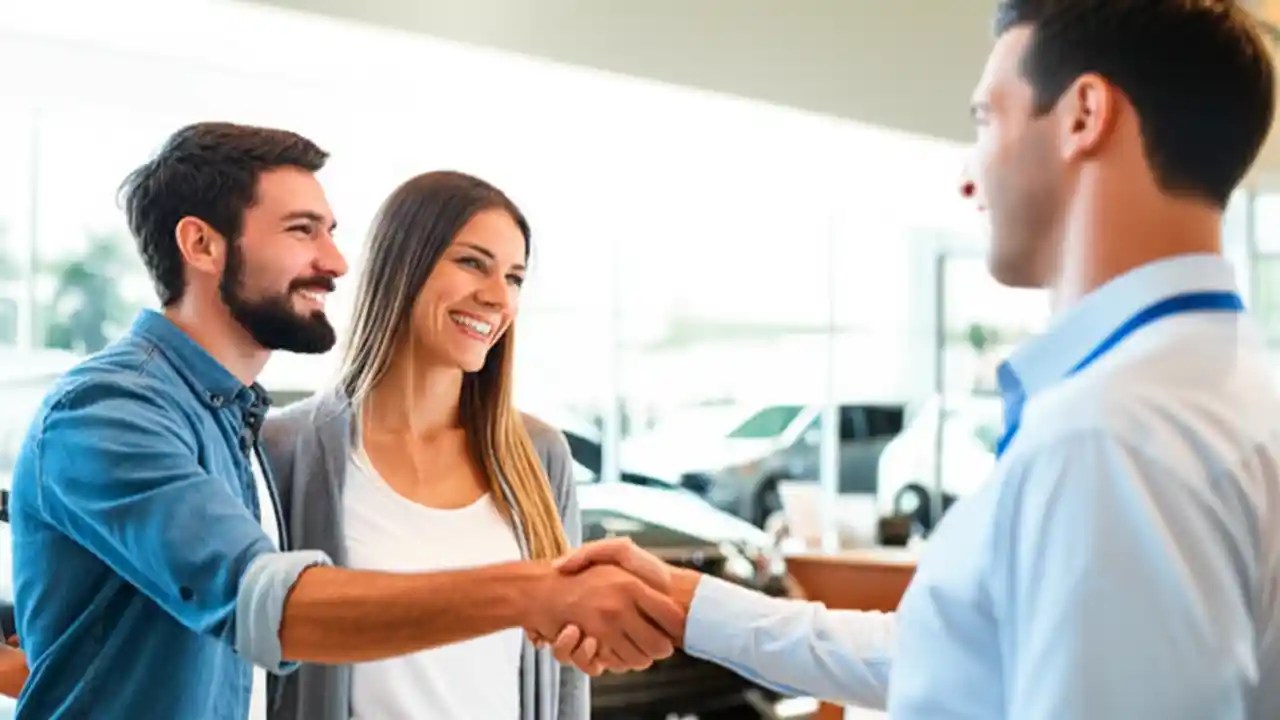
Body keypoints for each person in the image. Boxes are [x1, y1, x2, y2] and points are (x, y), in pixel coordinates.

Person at [547, 1, 1280, 718]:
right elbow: (967, 655)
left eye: (987, 120)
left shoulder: (1112, 433)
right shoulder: (1229, 390)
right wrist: (692, 606)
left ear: (1085, 115)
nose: (969, 176)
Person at [7, 122, 681, 719]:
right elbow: (272, 609)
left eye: (331, 232)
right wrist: (536, 592)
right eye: (303, 230)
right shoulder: (115, 411)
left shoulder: (226, 423)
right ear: (202, 245)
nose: (335, 262)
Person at [261, 171, 588, 720]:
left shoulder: (540, 454)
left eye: (514, 277)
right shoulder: (283, 452)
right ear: (402, 264)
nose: (496, 297)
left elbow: (565, 678)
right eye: (472, 263)